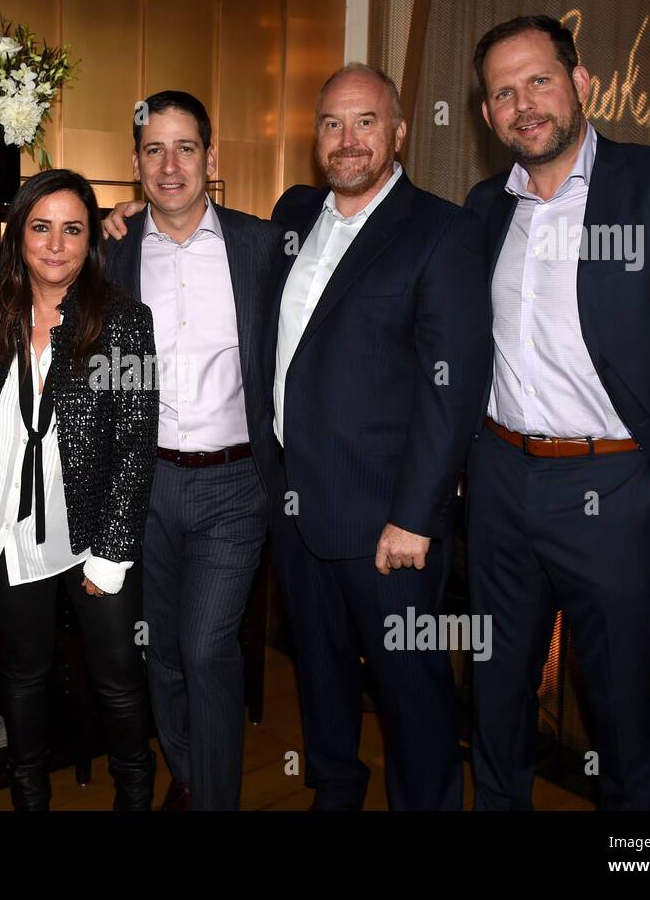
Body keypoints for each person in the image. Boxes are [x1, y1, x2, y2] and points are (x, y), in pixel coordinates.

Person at [464, 15, 650, 810]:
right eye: (502, 92)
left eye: (538, 80)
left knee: (622, 716)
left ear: (581, 83)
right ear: (487, 114)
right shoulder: (483, 207)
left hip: (616, 486)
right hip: (497, 482)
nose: (523, 103)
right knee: (494, 702)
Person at [266, 64, 491, 809]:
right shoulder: (294, 213)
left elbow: (452, 387)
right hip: (296, 510)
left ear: (398, 132)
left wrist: (416, 515)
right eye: (332, 123)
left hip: (387, 523)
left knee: (411, 693)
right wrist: (123, 222)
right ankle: (336, 792)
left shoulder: (442, 230)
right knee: (321, 677)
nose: (348, 139)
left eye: (366, 122)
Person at [101, 90, 282, 810]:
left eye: (185, 148)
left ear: (212, 156)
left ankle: (216, 798)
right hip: (144, 485)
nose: (169, 165)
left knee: (208, 646)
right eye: (153, 149)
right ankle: (189, 770)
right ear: (136, 162)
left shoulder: (262, 244)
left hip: (235, 483)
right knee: (163, 650)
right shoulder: (111, 249)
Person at [0, 168, 159, 810]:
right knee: (23, 676)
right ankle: (29, 799)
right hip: (10, 530)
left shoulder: (125, 321)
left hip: (92, 534)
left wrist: (112, 553)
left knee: (117, 680)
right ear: (17, 234)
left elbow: (137, 441)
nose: (56, 245)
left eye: (73, 229)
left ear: (91, 240)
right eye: (41, 227)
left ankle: (135, 795)